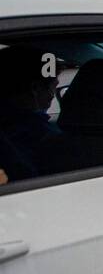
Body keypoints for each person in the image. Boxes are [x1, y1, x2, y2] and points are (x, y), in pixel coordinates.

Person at [0, 45, 61, 182]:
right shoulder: (40, 135)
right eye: (54, 86)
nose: (53, 95)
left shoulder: (7, 126)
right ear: (36, 88)